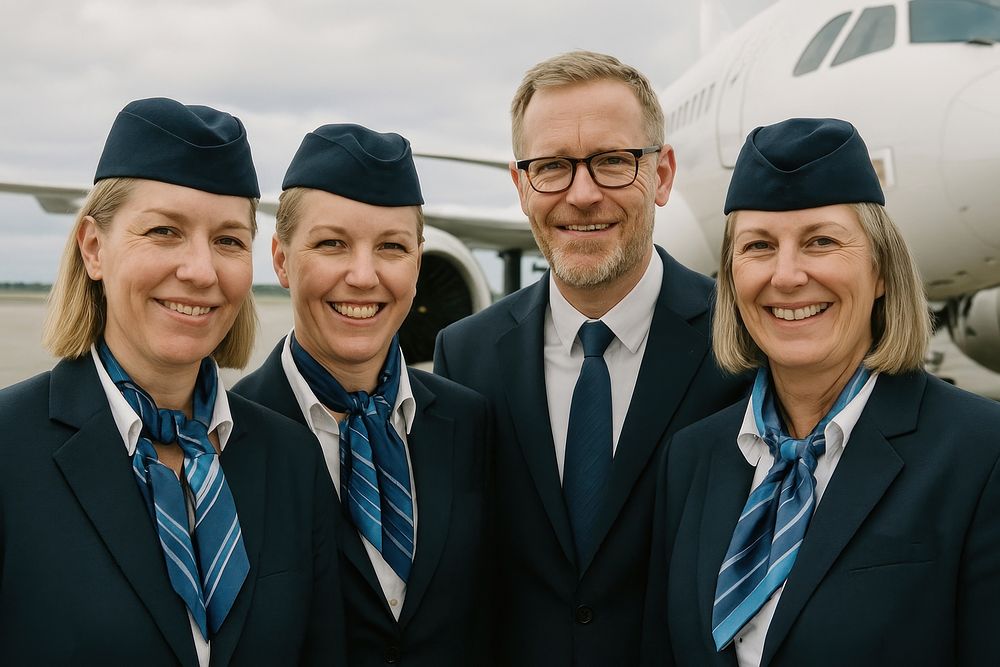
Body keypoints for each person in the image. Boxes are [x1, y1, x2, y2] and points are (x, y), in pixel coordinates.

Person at [641, 117, 1000, 667]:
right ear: (732, 278)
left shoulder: (981, 454)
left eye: (822, 242)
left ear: (881, 271)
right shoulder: (692, 458)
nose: (786, 276)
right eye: (758, 246)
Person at [0, 98, 345, 666]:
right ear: (93, 248)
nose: (201, 271)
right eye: (164, 231)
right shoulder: (10, 453)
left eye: (230, 240)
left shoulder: (289, 460)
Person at [433, 51, 748, 666]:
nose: (582, 195)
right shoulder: (466, 355)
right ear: (521, 185)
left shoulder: (739, 346)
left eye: (611, 162)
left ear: (661, 175)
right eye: (551, 167)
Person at [232, 123, 491, 666]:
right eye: (332, 244)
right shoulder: (227, 441)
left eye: (392, 247)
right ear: (280, 259)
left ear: (418, 263)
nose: (363, 275)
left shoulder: (472, 424)